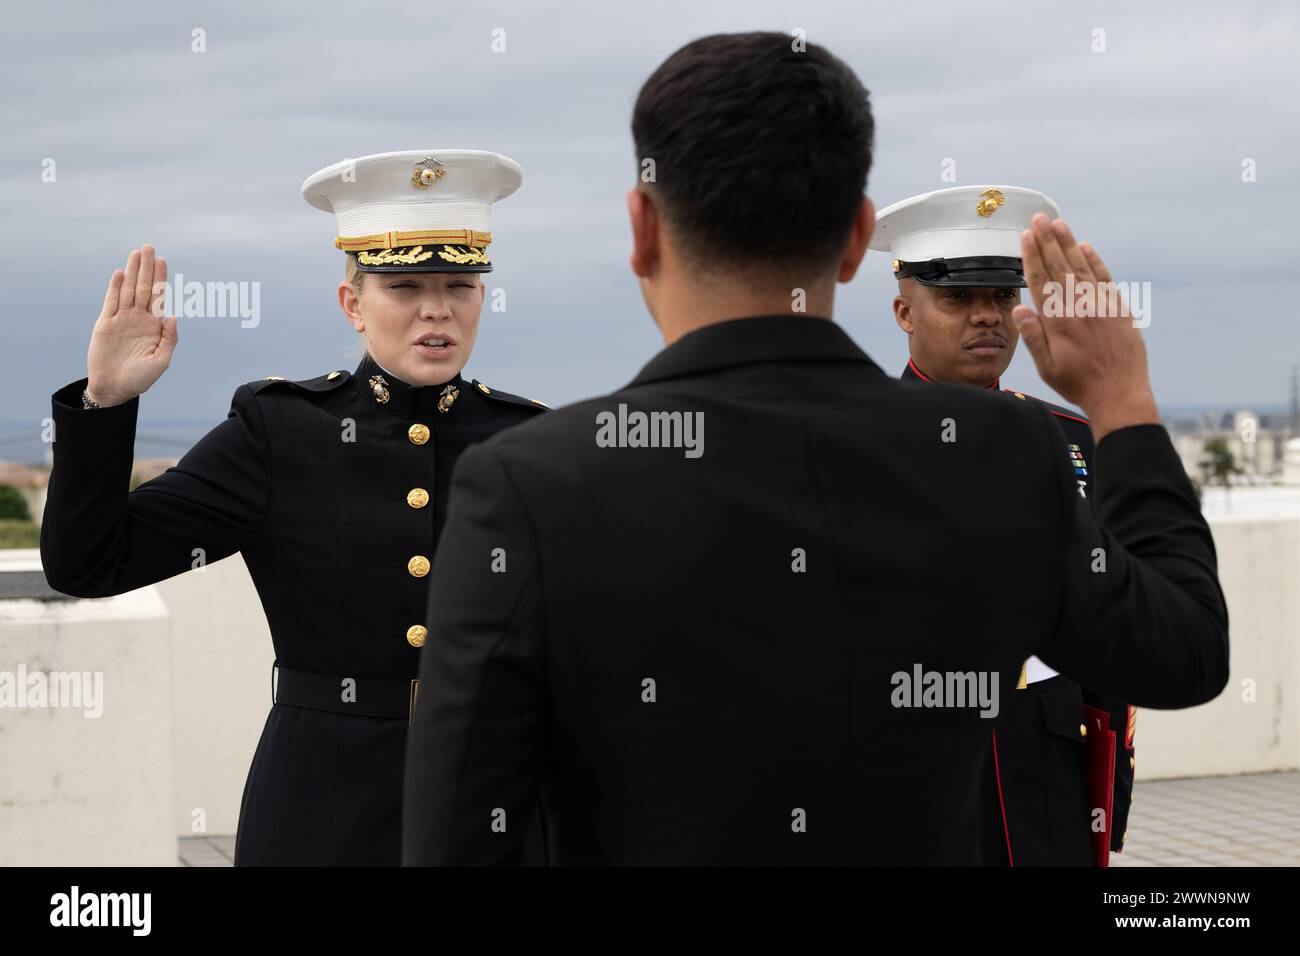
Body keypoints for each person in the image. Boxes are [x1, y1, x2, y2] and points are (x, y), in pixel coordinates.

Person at [401, 32, 1229, 866]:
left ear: (643, 229)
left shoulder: (526, 485)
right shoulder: (999, 454)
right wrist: (1122, 401)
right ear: (855, 237)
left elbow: (457, 838)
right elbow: (1185, 655)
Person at [40, 149, 547, 865]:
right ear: (353, 304)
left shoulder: (526, 442)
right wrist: (108, 403)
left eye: (461, 283)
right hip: (321, 805)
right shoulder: (279, 432)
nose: (437, 307)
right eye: (405, 285)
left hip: (495, 808)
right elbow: (90, 562)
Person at [877, 184, 1135, 865]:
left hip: (1044, 754)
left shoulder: (1073, 439)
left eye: (1000, 297)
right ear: (905, 310)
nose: (986, 317)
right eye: (958, 299)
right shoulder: (852, 443)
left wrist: (1112, 773)